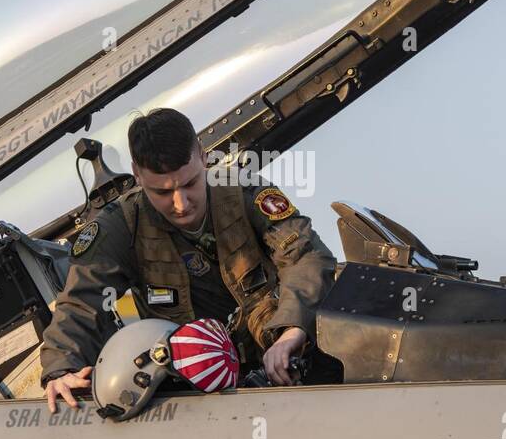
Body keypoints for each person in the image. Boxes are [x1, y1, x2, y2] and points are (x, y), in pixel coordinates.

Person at [34, 108, 337, 412]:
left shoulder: (242, 190)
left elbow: (305, 256)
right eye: (162, 192)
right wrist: (60, 368)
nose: (181, 203)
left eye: (190, 183)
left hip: (285, 358)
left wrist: (292, 330)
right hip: (197, 392)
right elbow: (81, 303)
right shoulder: (121, 225)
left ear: (203, 157)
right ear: (137, 175)